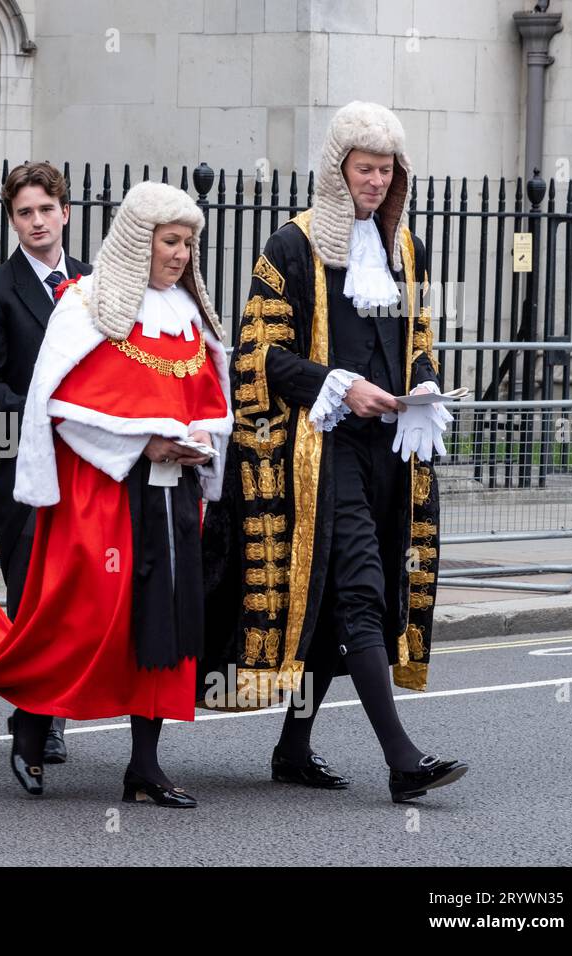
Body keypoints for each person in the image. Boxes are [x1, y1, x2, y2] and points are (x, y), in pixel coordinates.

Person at [0, 181, 233, 806]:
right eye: (170, 241)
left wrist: (196, 445)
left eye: (188, 242)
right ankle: (30, 727)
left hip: (171, 495)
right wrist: (140, 445)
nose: (181, 254)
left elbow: (209, 401)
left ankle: (145, 765)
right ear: (142, 240)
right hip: (100, 496)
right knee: (79, 621)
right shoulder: (89, 303)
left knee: (161, 623)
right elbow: (59, 405)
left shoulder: (189, 316)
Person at [203, 101, 468, 803]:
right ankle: (402, 760)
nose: (376, 182)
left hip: (391, 451)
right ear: (337, 169)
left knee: (344, 601)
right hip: (318, 451)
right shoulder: (290, 246)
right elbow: (256, 357)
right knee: (358, 589)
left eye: (386, 170)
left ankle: (293, 748)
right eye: (364, 169)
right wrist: (337, 385)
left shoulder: (407, 248)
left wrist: (426, 385)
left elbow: (416, 341)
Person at [0, 160, 92, 764]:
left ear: (65, 212)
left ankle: (54, 709)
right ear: (12, 221)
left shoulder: (95, 283)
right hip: (21, 462)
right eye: (24, 213)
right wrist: (48, 410)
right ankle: (32, 711)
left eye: (46, 209)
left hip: (90, 462)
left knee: (78, 589)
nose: (37, 221)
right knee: (32, 588)